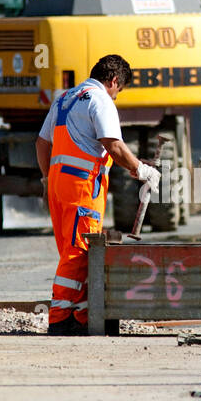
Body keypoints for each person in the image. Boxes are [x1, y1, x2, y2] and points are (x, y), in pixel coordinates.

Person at [36, 54, 160, 336]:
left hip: (58, 183)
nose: (116, 96)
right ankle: (59, 319)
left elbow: (42, 142)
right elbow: (113, 145)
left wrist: (47, 178)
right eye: (119, 90)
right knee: (79, 251)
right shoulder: (100, 99)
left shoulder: (65, 97)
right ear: (114, 80)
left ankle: (81, 316)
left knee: (74, 252)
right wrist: (141, 169)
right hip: (82, 186)